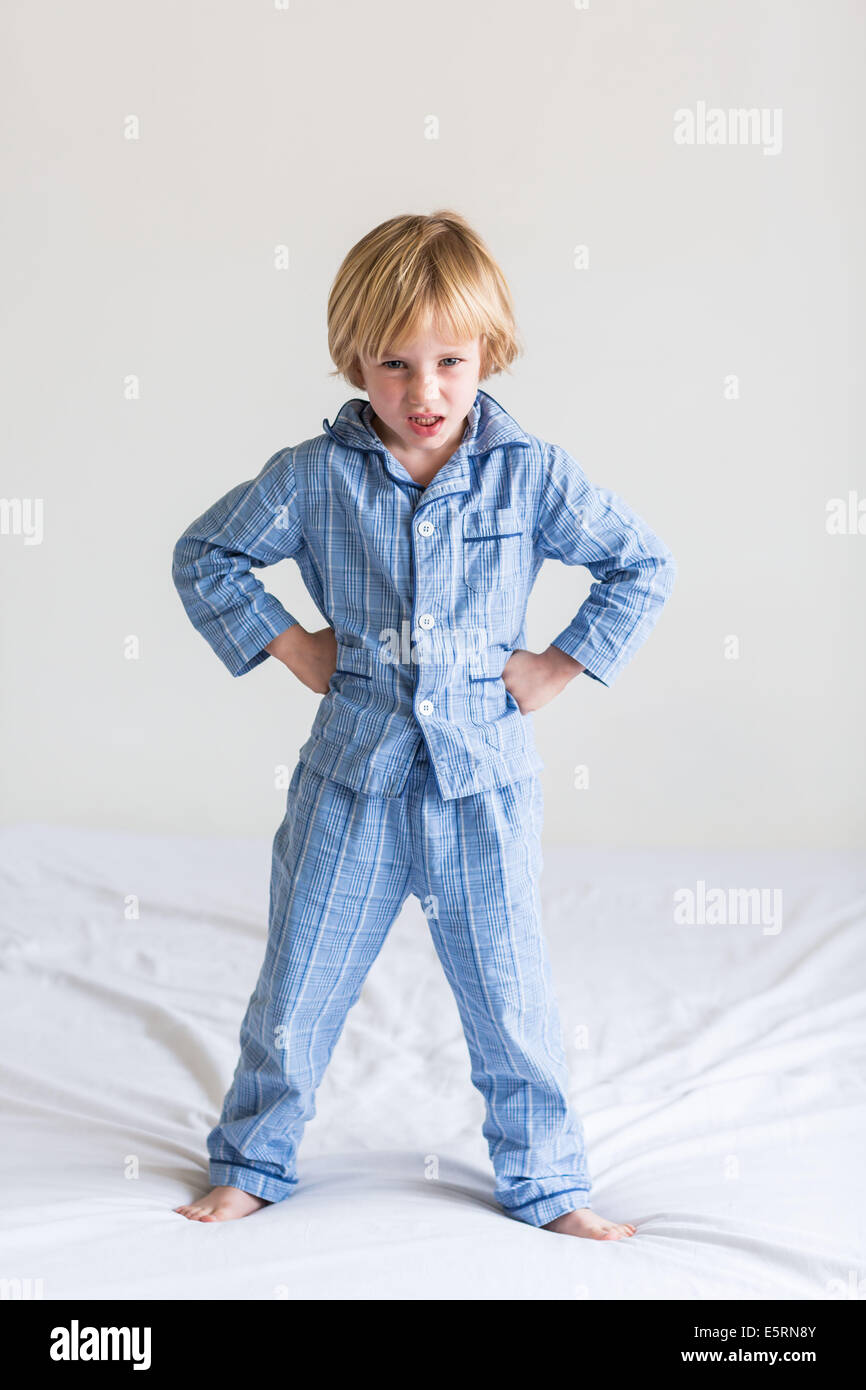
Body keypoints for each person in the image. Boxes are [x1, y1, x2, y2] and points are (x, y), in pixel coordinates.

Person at [171, 210, 676, 1238]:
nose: (423, 390)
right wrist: (292, 644)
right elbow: (205, 554)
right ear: (353, 360)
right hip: (349, 783)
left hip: (481, 785)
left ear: (487, 351)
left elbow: (642, 563)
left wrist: (557, 663)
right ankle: (253, 1158)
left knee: (509, 996)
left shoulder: (530, 473)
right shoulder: (312, 477)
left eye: (449, 360)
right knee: (296, 986)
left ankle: (547, 1183)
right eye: (392, 364)